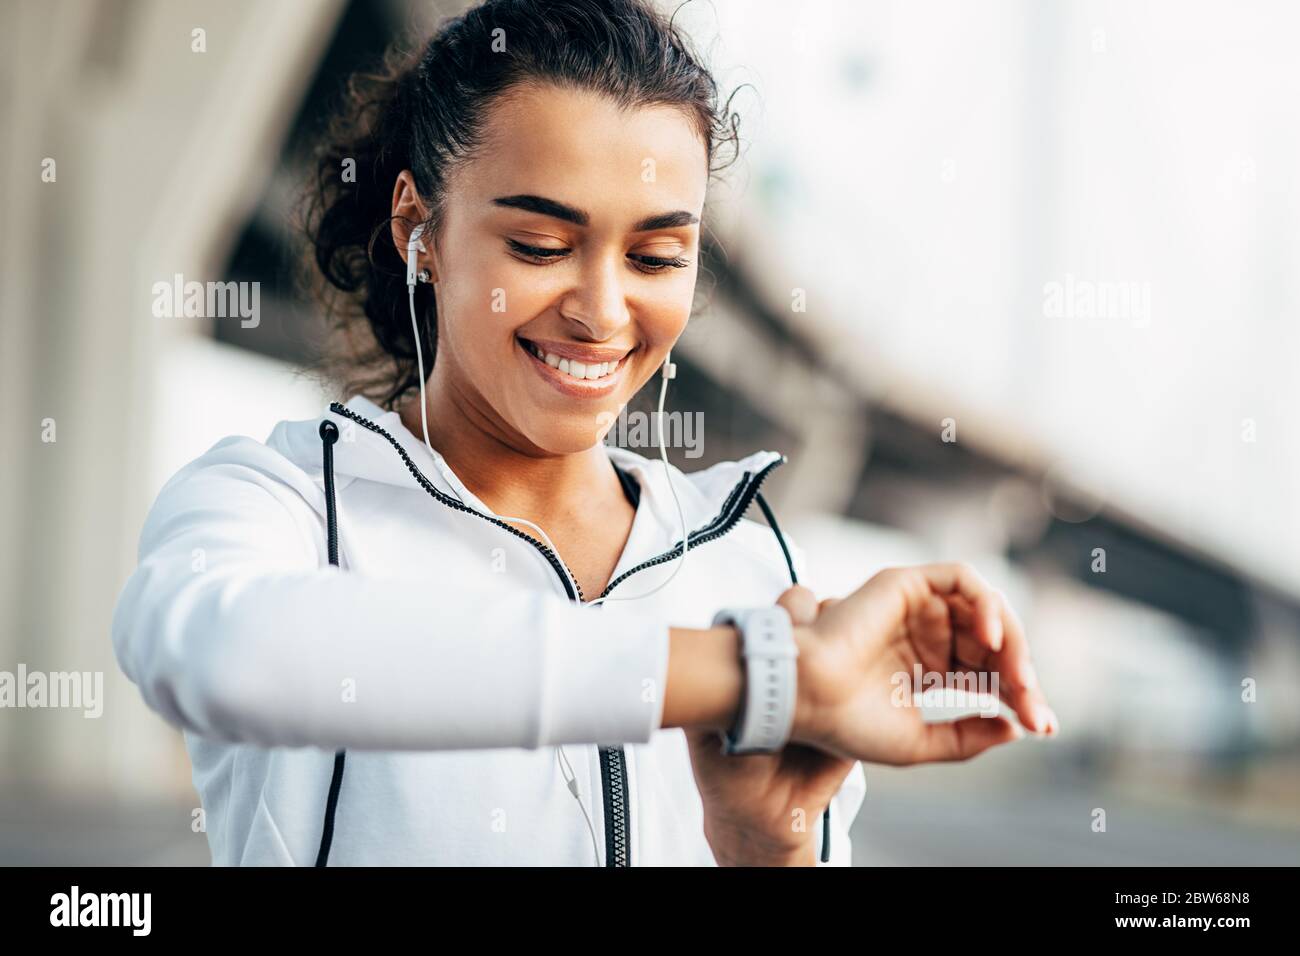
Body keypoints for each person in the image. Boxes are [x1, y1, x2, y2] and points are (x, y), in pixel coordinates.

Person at [111, 0, 1057, 867]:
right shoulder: (277, 501)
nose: (603, 313)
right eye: (539, 246)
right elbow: (223, 655)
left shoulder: (751, 556)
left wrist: (763, 843)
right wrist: (747, 675)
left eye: (656, 256)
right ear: (418, 228)